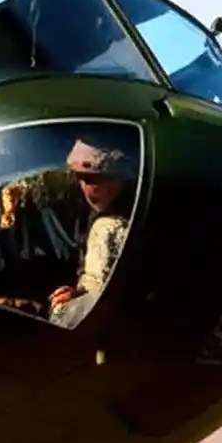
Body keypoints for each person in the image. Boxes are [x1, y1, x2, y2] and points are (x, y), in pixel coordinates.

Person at [47, 139, 136, 329]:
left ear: (117, 179)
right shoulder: (97, 215)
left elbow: (102, 306)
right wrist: (77, 293)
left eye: (93, 179)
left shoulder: (109, 227)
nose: (85, 187)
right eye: (80, 178)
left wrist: (62, 310)